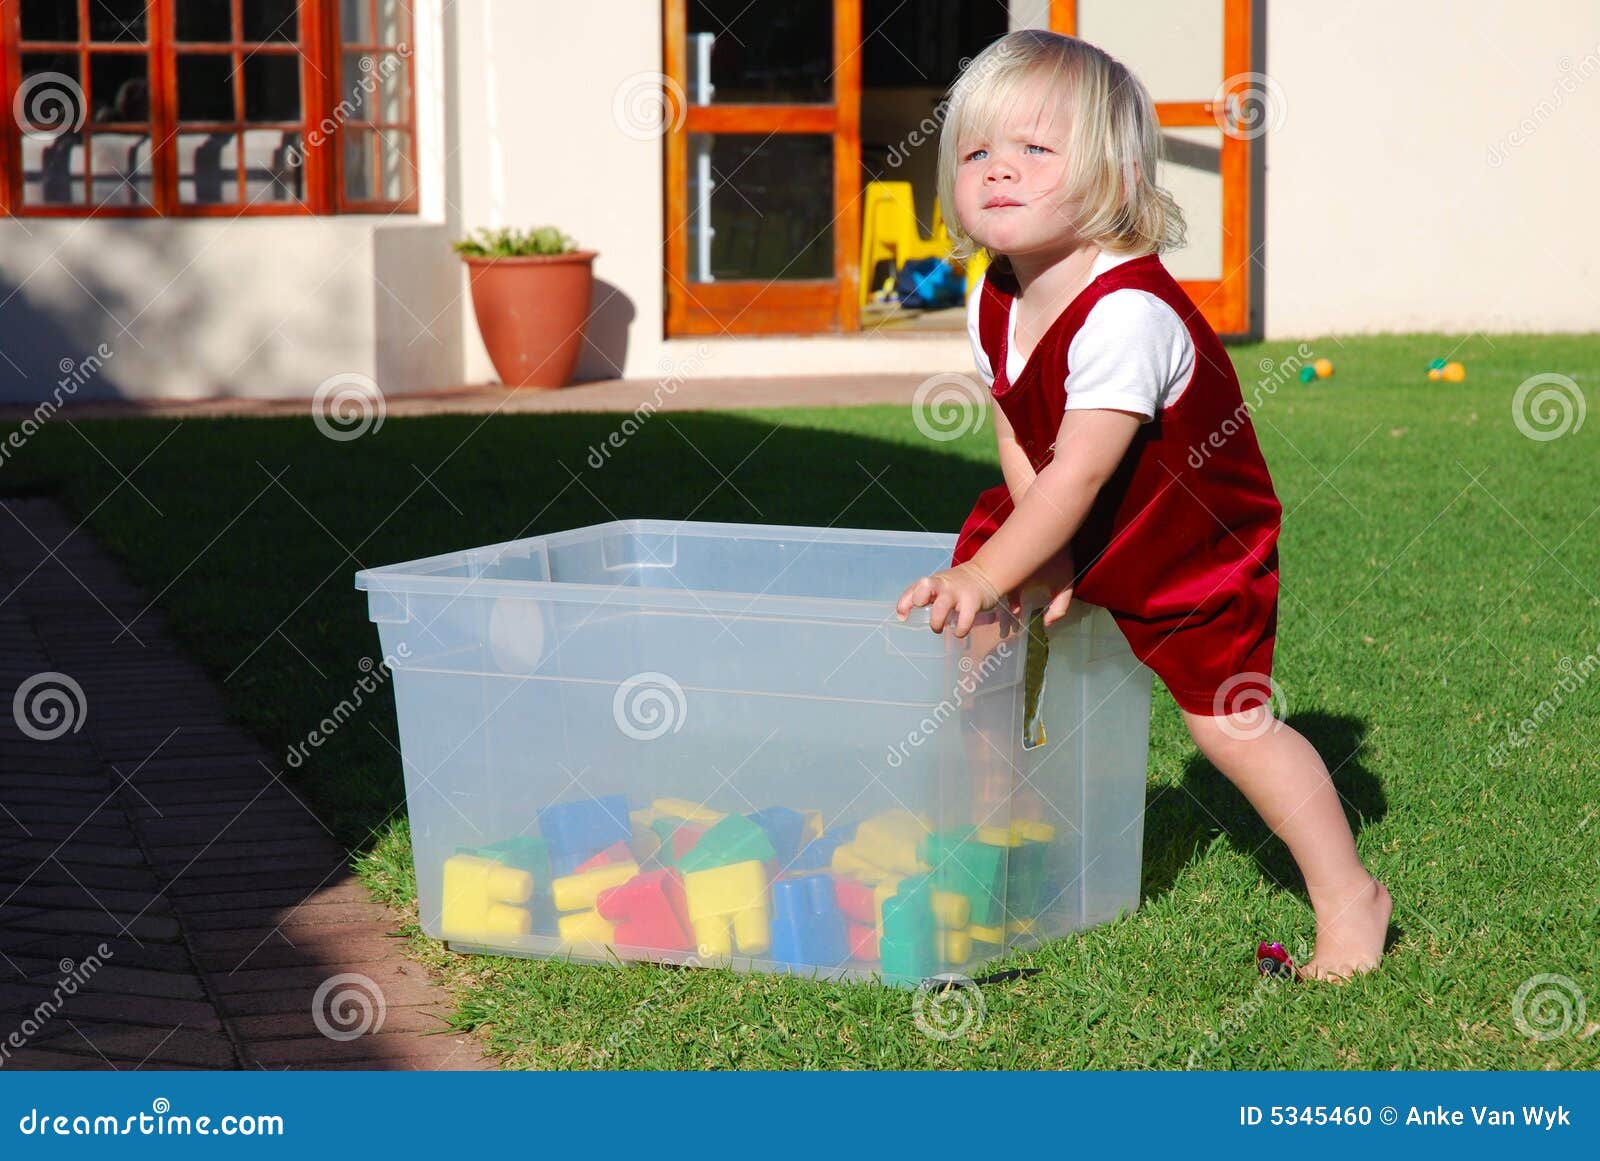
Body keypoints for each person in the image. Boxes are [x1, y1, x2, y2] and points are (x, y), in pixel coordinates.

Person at [894, 30, 1391, 982]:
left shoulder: (1126, 309)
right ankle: (998, 845)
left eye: (1035, 151)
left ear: (1116, 175)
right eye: (976, 152)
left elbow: (1087, 469)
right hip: (1064, 505)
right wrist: (1033, 559)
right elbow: (1016, 424)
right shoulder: (991, 291)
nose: (999, 169)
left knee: (1227, 723)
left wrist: (1001, 562)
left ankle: (1349, 896)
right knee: (980, 636)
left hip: (1188, 540)